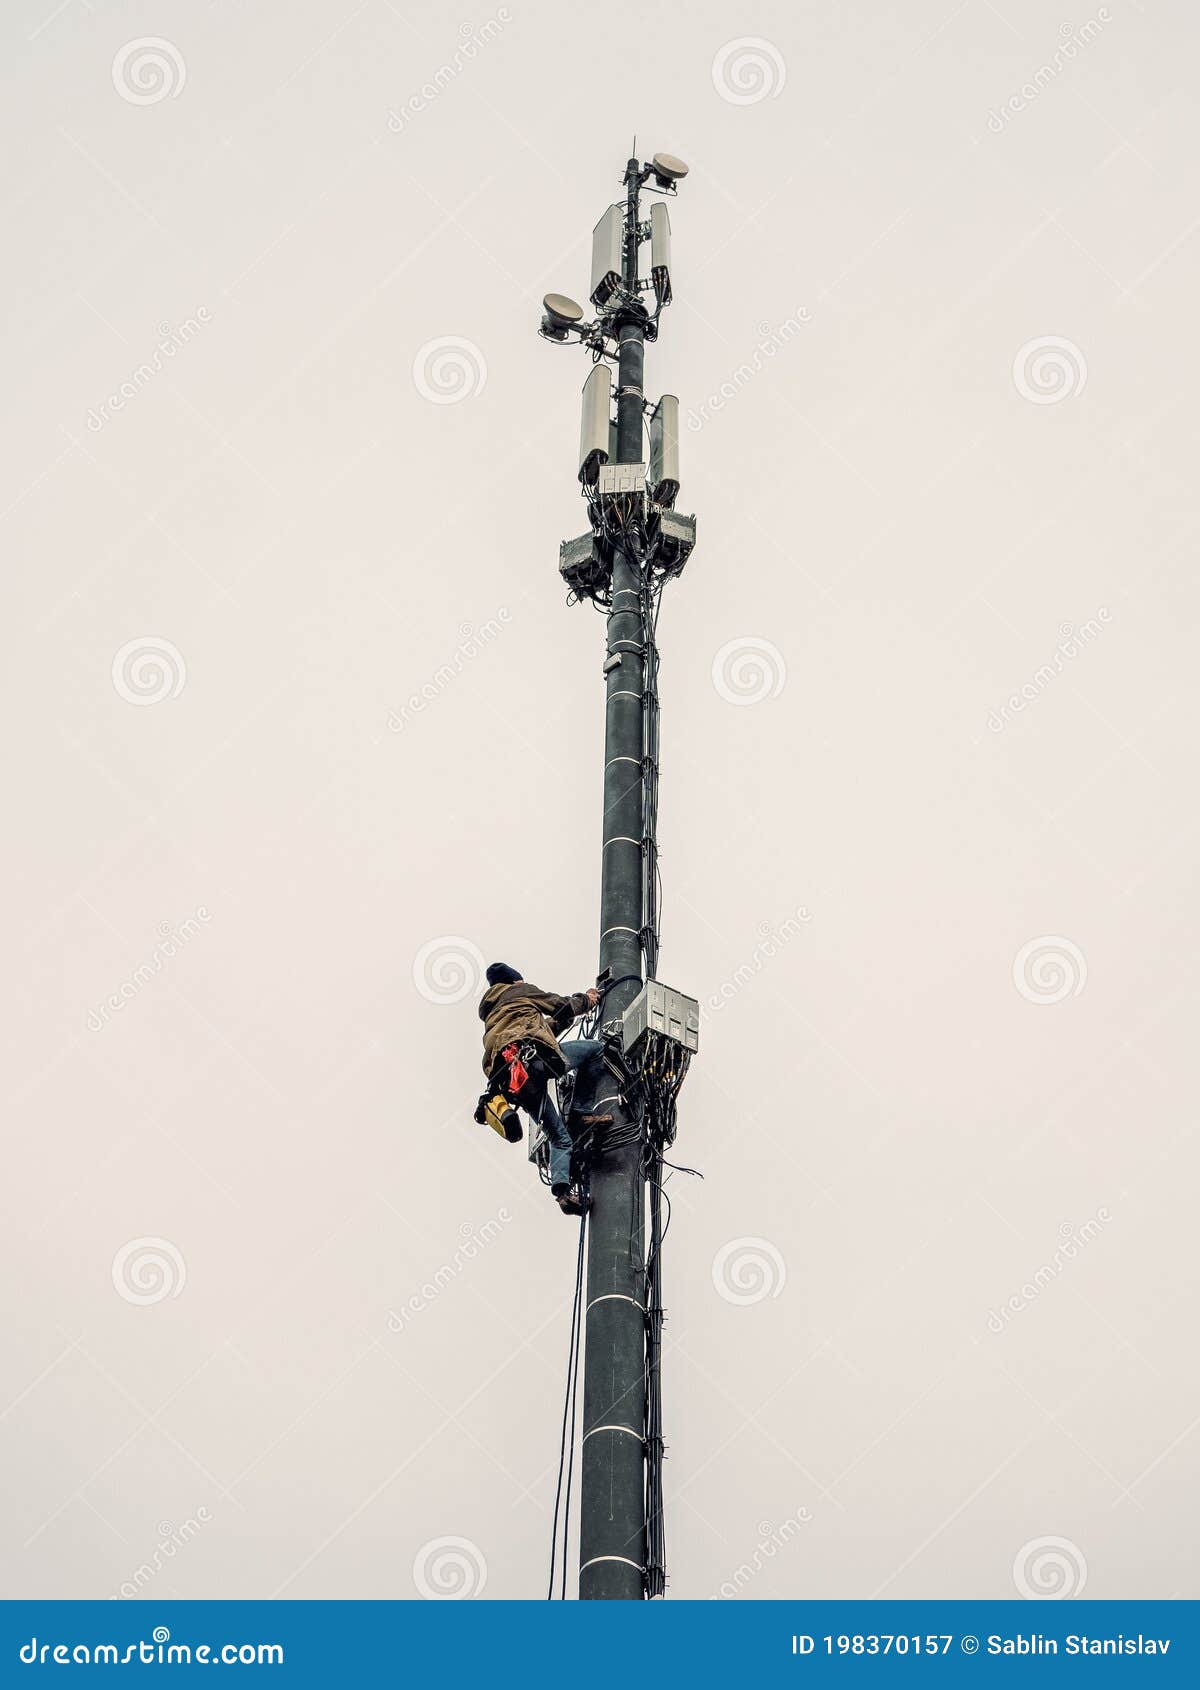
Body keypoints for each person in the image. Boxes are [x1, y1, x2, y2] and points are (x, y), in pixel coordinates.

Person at [475, 963, 605, 1216]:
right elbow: (560, 1005)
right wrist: (587, 1000)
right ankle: (580, 1110)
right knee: (595, 1049)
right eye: (521, 981)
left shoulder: (495, 1013)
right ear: (513, 981)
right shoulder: (517, 992)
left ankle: (563, 1194)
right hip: (535, 1063)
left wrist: (565, 1019)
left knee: (559, 1137)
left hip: (515, 1083)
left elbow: (541, 1028)